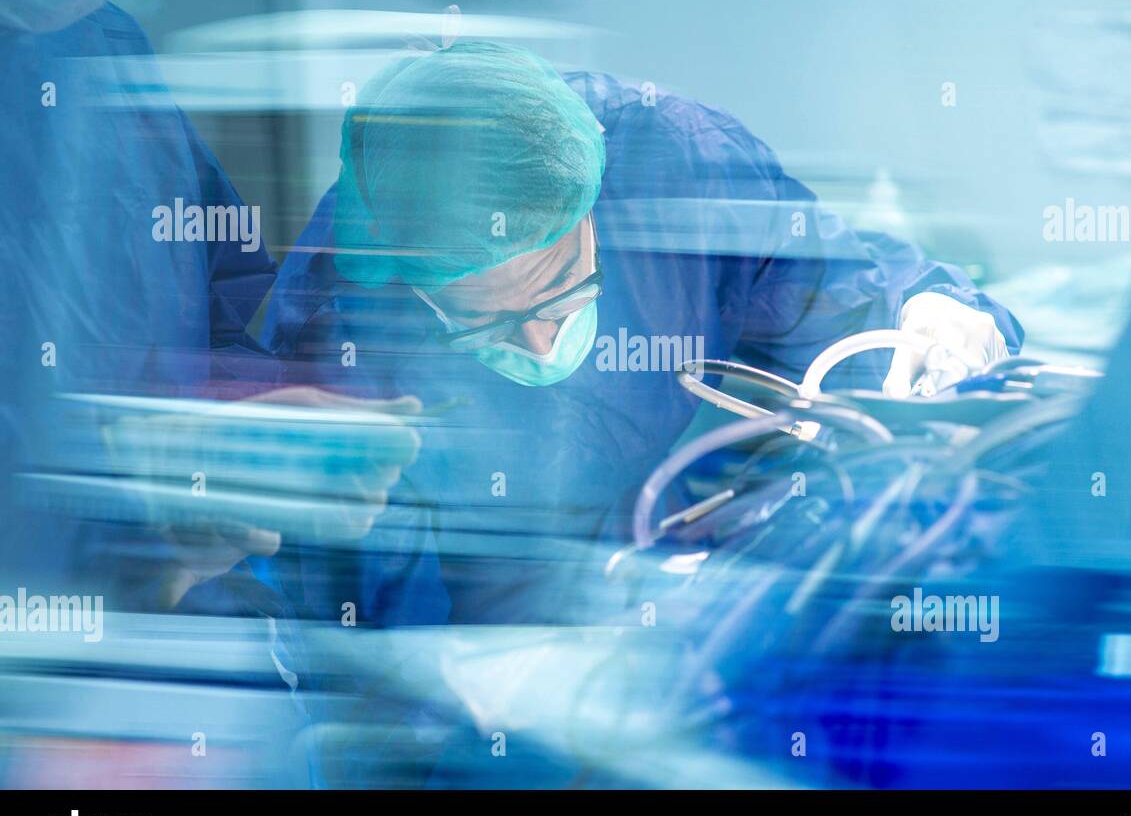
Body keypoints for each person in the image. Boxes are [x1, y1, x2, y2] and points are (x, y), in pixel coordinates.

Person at [263, 41, 1024, 627]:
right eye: (483, 323)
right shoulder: (342, 315)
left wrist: (932, 311)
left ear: (594, 202)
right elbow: (341, 593)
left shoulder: (677, 164)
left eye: (561, 293)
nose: (537, 346)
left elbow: (841, 295)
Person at [0, 0, 420, 616]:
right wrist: (131, 467)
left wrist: (245, 435)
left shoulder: (101, 42)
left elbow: (213, 299)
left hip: (131, 611)